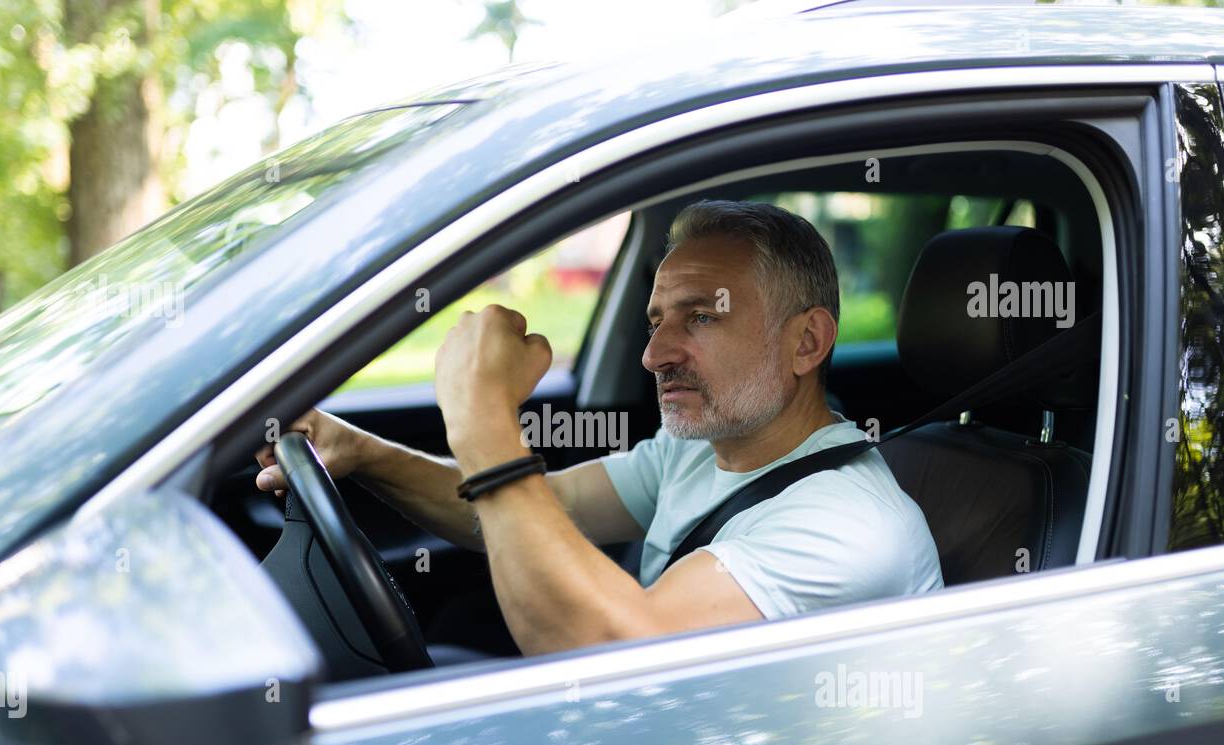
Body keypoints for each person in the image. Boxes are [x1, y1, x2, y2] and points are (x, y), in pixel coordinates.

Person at [255, 200, 942, 656]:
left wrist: (485, 416)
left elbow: (618, 646)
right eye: (656, 320)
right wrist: (364, 453)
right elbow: (516, 516)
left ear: (806, 342)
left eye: (700, 316)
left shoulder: (849, 525)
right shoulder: (698, 448)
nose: (655, 353)